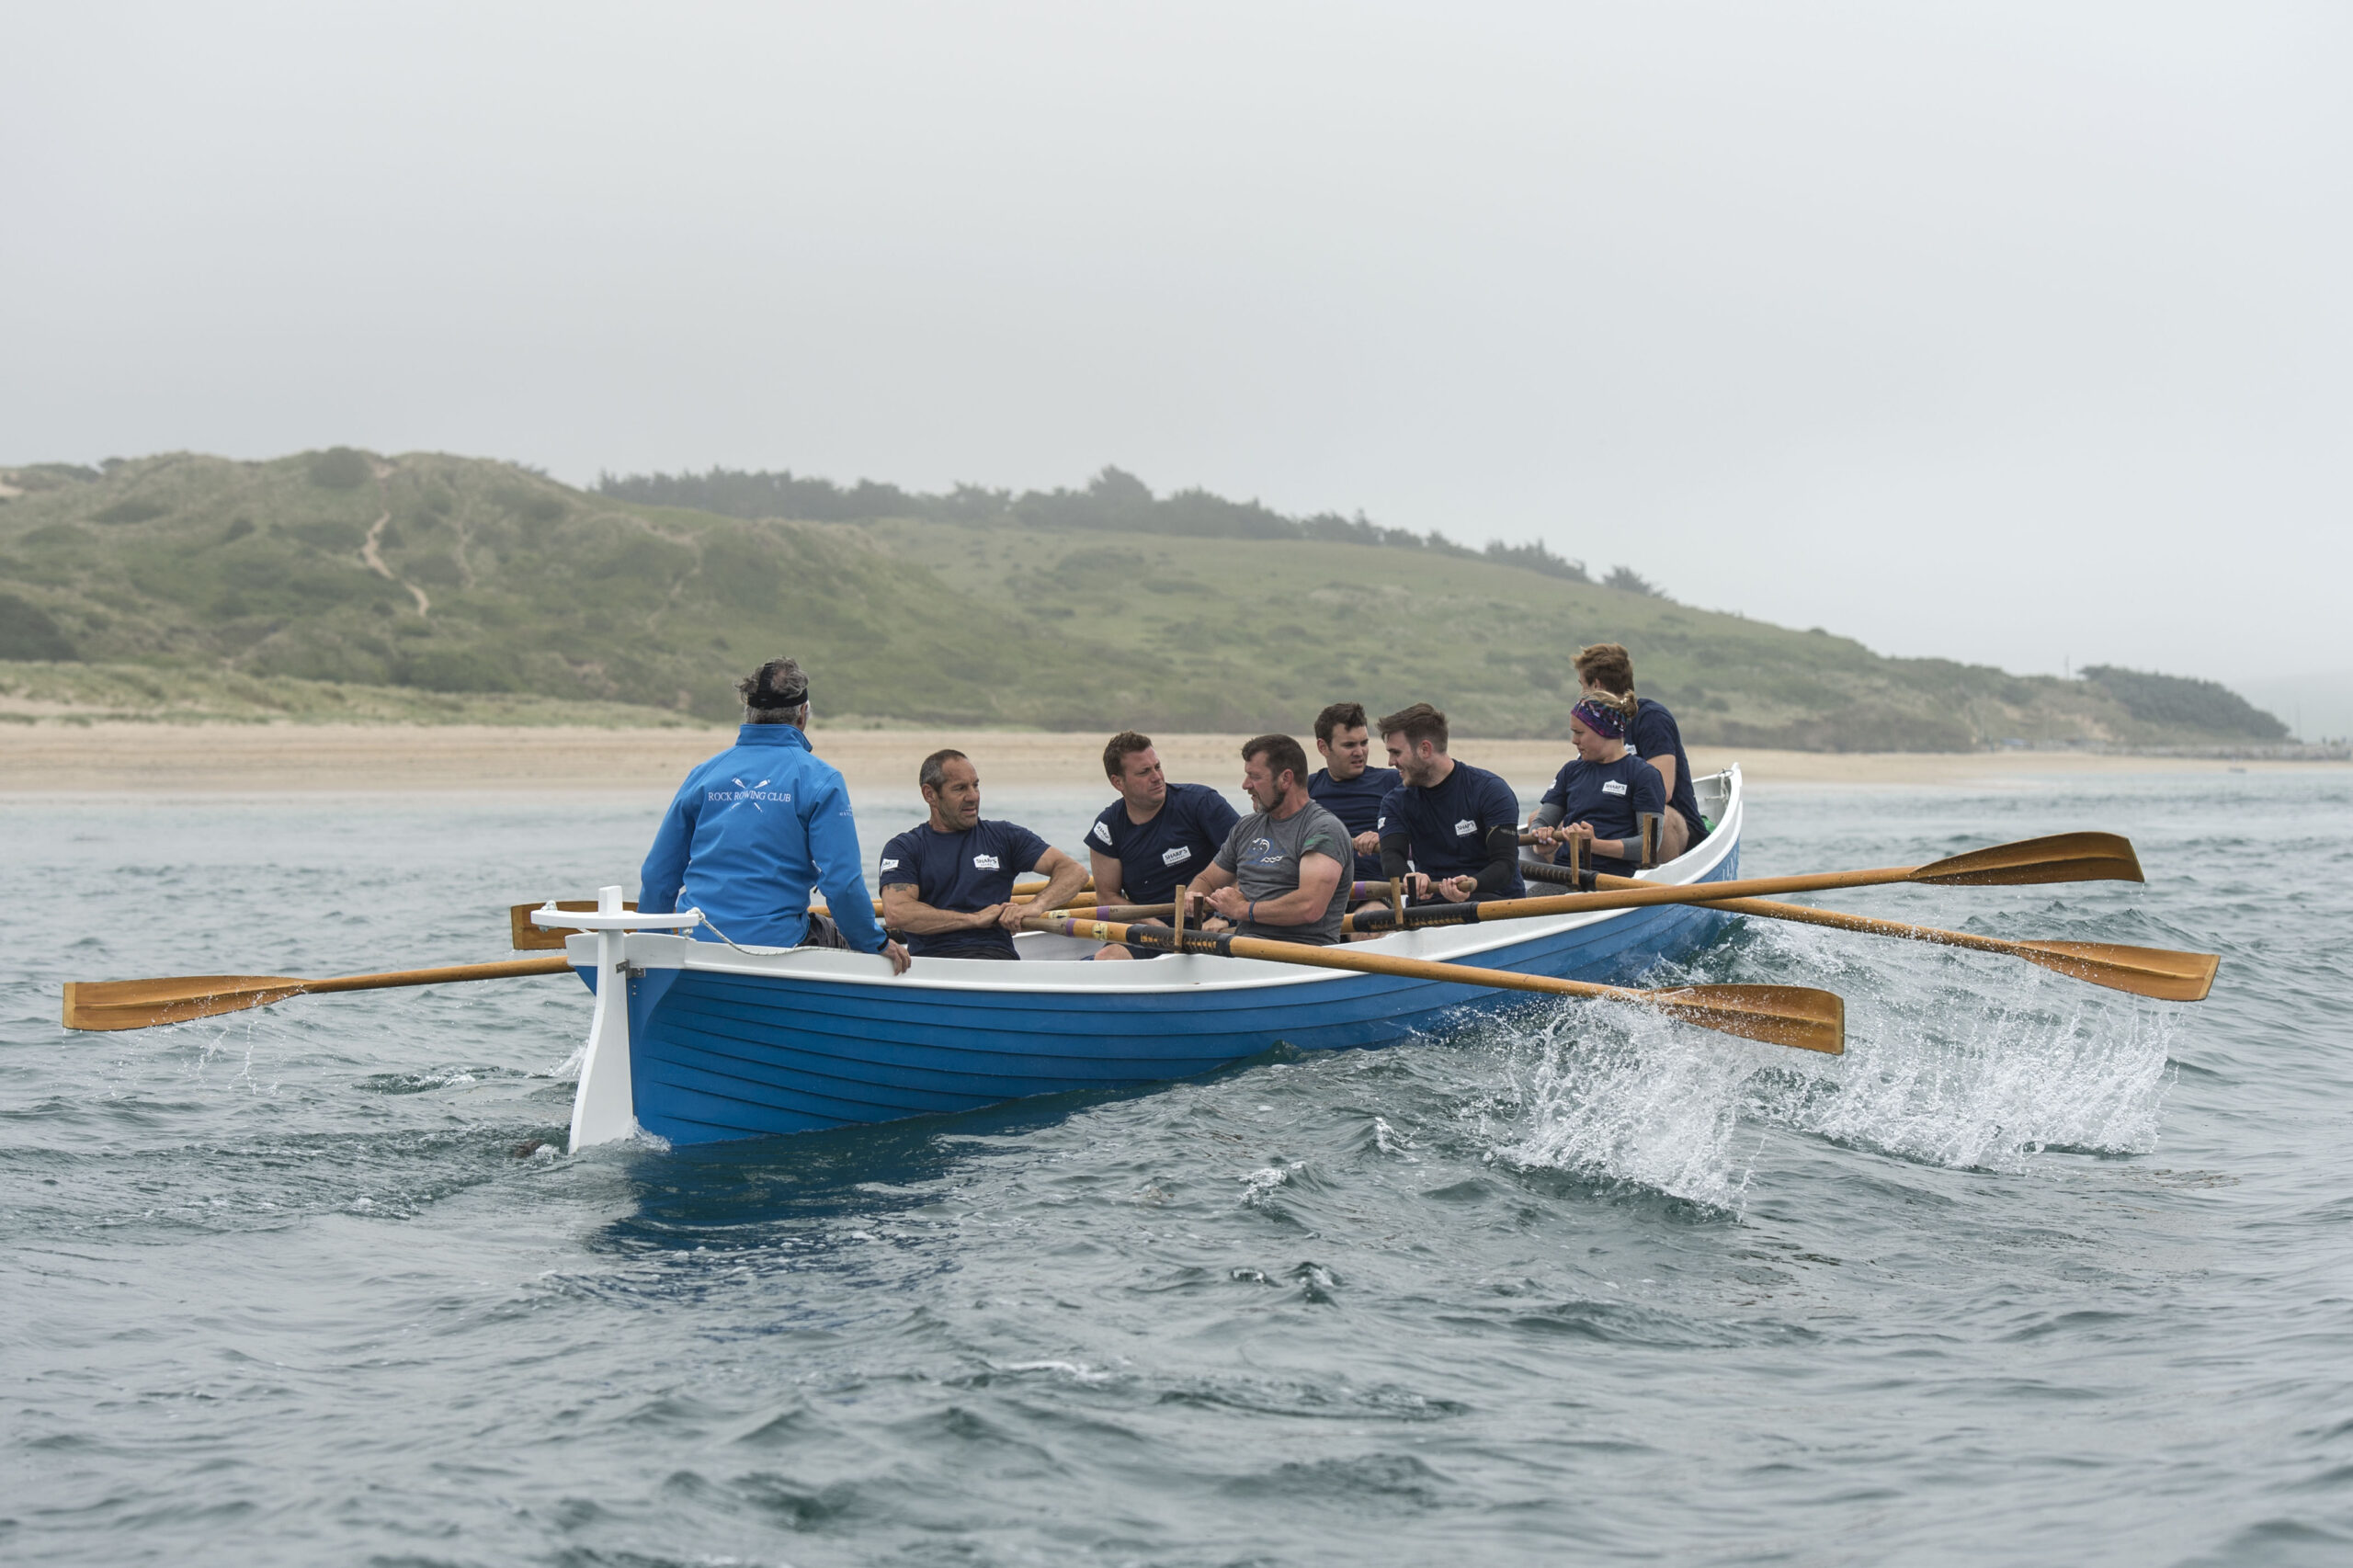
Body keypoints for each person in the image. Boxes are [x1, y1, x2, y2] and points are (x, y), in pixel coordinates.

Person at [640, 658, 910, 973]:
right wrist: (874, 944)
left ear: (749, 714)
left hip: (699, 942)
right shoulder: (820, 779)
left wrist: (653, 950)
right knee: (856, 942)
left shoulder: (703, 775)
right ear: (802, 714)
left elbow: (658, 876)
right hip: (777, 946)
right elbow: (842, 886)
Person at [879, 750, 1088, 960]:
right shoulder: (905, 848)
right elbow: (897, 913)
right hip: (933, 963)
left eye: (975, 785)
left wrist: (1034, 907)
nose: (973, 797)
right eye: (960, 788)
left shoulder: (1004, 836)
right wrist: (974, 919)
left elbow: (1074, 872)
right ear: (930, 795)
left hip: (996, 958)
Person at [1182, 734, 1350, 945]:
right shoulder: (1246, 828)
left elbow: (1310, 907)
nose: (1245, 785)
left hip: (1302, 957)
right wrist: (1194, 893)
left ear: (1285, 779)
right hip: (1246, 950)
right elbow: (1207, 880)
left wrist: (1243, 910)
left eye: (1255, 777)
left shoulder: (1323, 830)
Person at [1087, 730, 1241, 960]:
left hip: (1213, 926)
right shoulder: (1107, 828)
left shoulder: (1202, 803)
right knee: (1107, 958)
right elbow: (1107, 897)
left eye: (1157, 767)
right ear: (1118, 782)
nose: (1157, 777)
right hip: (1152, 931)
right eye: (1144, 772)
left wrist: (1223, 916)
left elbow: (1253, 864)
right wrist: (1151, 924)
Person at [1374, 702, 1526, 904]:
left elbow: (1504, 866)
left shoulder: (1490, 790)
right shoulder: (1395, 801)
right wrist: (1407, 877)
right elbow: (1391, 857)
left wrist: (1471, 884)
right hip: (1431, 905)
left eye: (1396, 753)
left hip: (1495, 903)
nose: (1390, 762)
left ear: (1425, 749)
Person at [1572, 642, 1707, 860]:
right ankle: (1575, 884)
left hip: (1678, 832)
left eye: (1582, 685)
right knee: (1556, 820)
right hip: (1621, 822)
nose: (1581, 693)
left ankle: (1659, 885)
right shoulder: (1593, 729)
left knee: (1658, 818)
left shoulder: (1651, 718)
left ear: (1596, 685)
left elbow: (1663, 790)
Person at [1528, 690, 1667, 880]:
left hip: (1613, 880)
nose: (1574, 740)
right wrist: (1540, 837)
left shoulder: (1644, 775)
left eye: (1579, 733)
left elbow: (1649, 847)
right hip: (1565, 874)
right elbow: (1542, 821)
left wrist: (1593, 844)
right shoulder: (1571, 771)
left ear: (1604, 731)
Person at [1306, 700, 1401, 892]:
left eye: (1364, 743)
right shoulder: (1306, 789)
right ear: (1323, 747)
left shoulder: (1393, 782)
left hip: (1373, 890)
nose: (1359, 752)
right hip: (1319, 891)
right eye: (1349, 745)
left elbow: (1424, 832)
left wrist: (1384, 838)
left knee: (1371, 914)